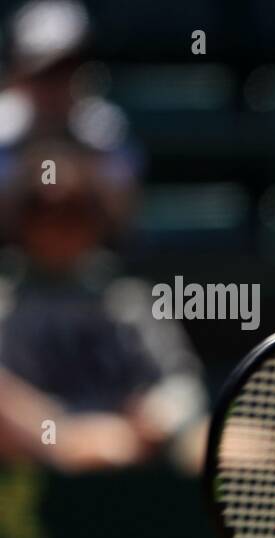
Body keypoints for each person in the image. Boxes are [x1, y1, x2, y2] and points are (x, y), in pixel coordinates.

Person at [0, 138, 207, 473]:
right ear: (23, 222)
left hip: (133, 450)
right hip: (32, 463)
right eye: (44, 215)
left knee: (231, 445)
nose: (59, 231)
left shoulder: (128, 300)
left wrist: (160, 416)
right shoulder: (5, 303)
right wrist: (61, 436)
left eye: (73, 215)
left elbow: (180, 382)